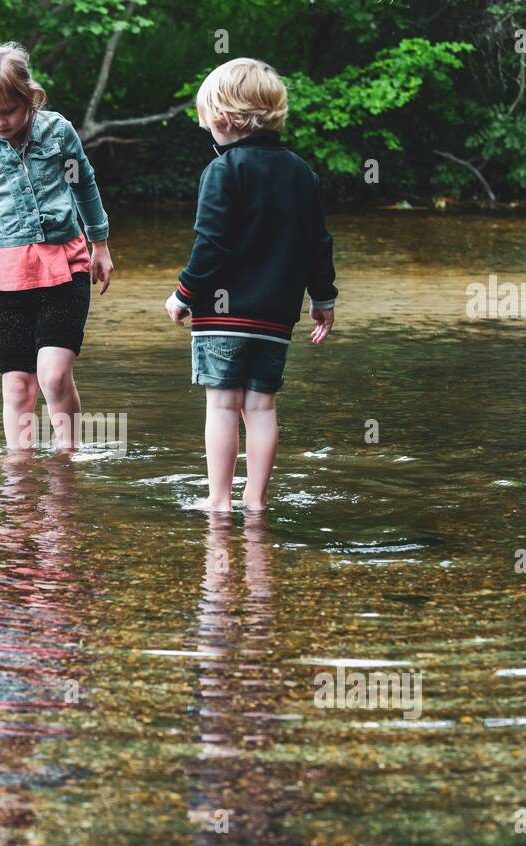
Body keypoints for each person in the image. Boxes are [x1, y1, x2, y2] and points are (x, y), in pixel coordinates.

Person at [164, 58, 338, 511]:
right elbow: (318, 241)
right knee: (261, 408)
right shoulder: (301, 172)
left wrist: (184, 294)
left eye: (208, 124)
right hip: (276, 318)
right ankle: (256, 501)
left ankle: (218, 501)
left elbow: (212, 245)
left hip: (223, 317)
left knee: (223, 406)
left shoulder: (223, 172)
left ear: (223, 118)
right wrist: (323, 298)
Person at [0, 42, 114, 455]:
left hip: (65, 265)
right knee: (18, 386)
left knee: (52, 376)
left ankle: (67, 460)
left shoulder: (57, 131)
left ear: (30, 99)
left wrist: (100, 244)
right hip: (10, 274)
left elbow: (83, 184)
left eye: (9, 113)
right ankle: (19, 477)